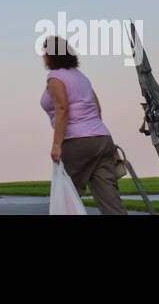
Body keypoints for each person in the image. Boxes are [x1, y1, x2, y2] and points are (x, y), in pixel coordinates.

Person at [40, 35, 126, 215]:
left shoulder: (55, 78)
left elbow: (62, 108)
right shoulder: (81, 77)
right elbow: (97, 107)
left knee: (66, 197)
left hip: (76, 142)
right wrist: (95, 133)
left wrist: (56, 145)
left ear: (50, 56)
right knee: (110, 200)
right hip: (102, 139)